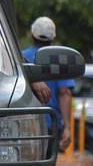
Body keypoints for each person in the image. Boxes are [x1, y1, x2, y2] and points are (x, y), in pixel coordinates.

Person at [23, 16, 74, 153]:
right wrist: (68, 128)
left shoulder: (21, 57)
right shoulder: (60, 59)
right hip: (52, 123)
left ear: (32, 35)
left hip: (26, 123)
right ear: (53, 37)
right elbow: (64, 92)